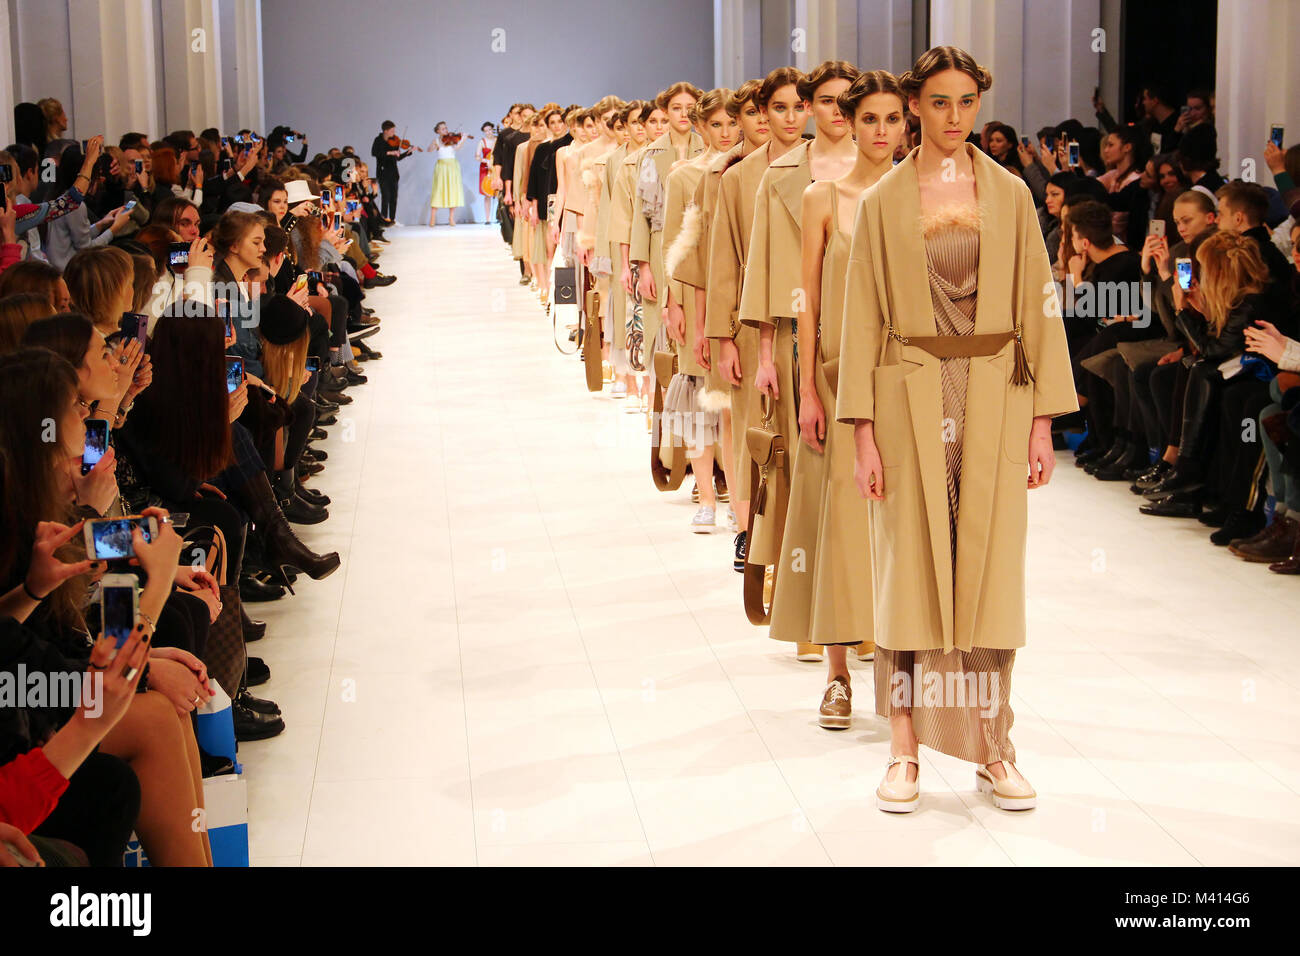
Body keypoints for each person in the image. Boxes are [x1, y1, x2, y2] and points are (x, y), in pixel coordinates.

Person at [837, 46, 1077, 813]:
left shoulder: (1008, 194)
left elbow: (1038, 304)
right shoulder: (882, 203)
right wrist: (861, 432)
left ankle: (991, 745)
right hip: (908, 396)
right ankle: (903, 749)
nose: (951, 116)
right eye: (937, 102)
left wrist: (1043, 419)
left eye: (964, 102)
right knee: (908, 570)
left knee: (989, 576)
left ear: (979, 104)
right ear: (914, 105)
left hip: (996, 397)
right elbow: (859, 319)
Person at [789, 70, 906, 729]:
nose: (882, 132)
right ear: (848, 122)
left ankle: (896, 668)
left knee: (900, 527)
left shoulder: (922, 197)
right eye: (870, 119)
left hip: (905, 378)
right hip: (835, 377)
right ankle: (835, 675)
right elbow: (806, 300)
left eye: (893, 120)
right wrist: (808, 384)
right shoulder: (822, 199)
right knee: (838, 522)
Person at [370, 121, 414, 224]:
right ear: (385, 131)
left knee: (394, 197)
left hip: (393, 172)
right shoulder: (378, 140)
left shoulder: (394, 141)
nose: (394, 133)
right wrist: (390, 152)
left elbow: (397, 159)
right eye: (392, 131)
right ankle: (385, 219)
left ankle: (393, 219)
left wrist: (407, 153)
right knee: (385, 196)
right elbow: (374, 153)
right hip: (383, 172)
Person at [428, 122, 470, 227]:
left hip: (452, 166)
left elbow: (457, 148)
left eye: (446, 128)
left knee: (453, 191)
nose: (445, 130)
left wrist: (463, 139)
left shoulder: (452, 140)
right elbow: (429, 150)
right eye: (442, 129)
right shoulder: (437, 140)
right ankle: (432, 217)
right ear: (438, 131)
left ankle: (451, 218)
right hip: (441, 166)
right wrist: (434, 145)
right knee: (438, 190)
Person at [477, 122, 498, 225]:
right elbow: (477, 157)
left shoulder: (497, 140)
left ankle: (499, 216)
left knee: (498, 192)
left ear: (493, 129)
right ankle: (488, 218)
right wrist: (487, 161)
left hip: (496, 168)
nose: (488, 132)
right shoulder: (482, 142)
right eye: (486, 131)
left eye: (490, 130)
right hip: (486, 168)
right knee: (487, 194)